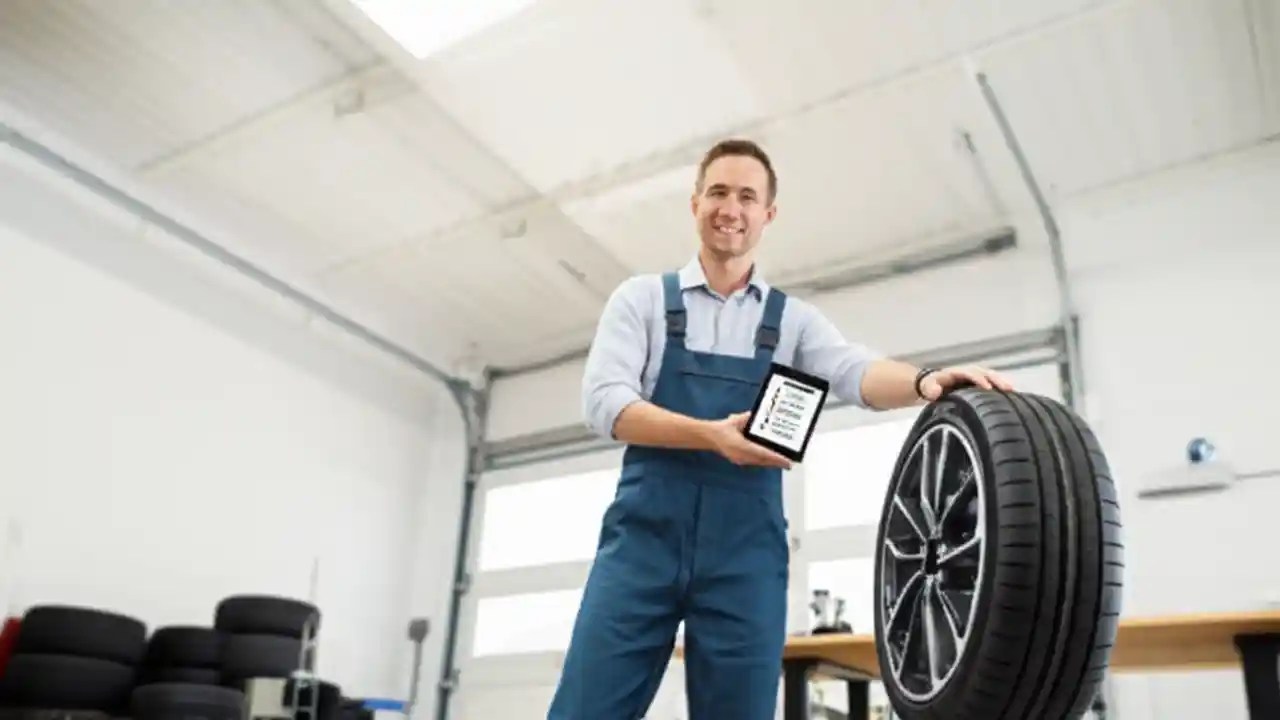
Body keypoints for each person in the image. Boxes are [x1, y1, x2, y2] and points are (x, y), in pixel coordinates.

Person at [547, 138, 1014, 719]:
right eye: (718, 192)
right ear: (695, 203)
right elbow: (605, 404)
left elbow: (853, 370)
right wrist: (710, 434)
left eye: (747, 196)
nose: (730, 208)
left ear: (768, 214)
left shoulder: (792, 322)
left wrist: (925, 381)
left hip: (744, 556)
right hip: (642, 544)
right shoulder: (641, 300)